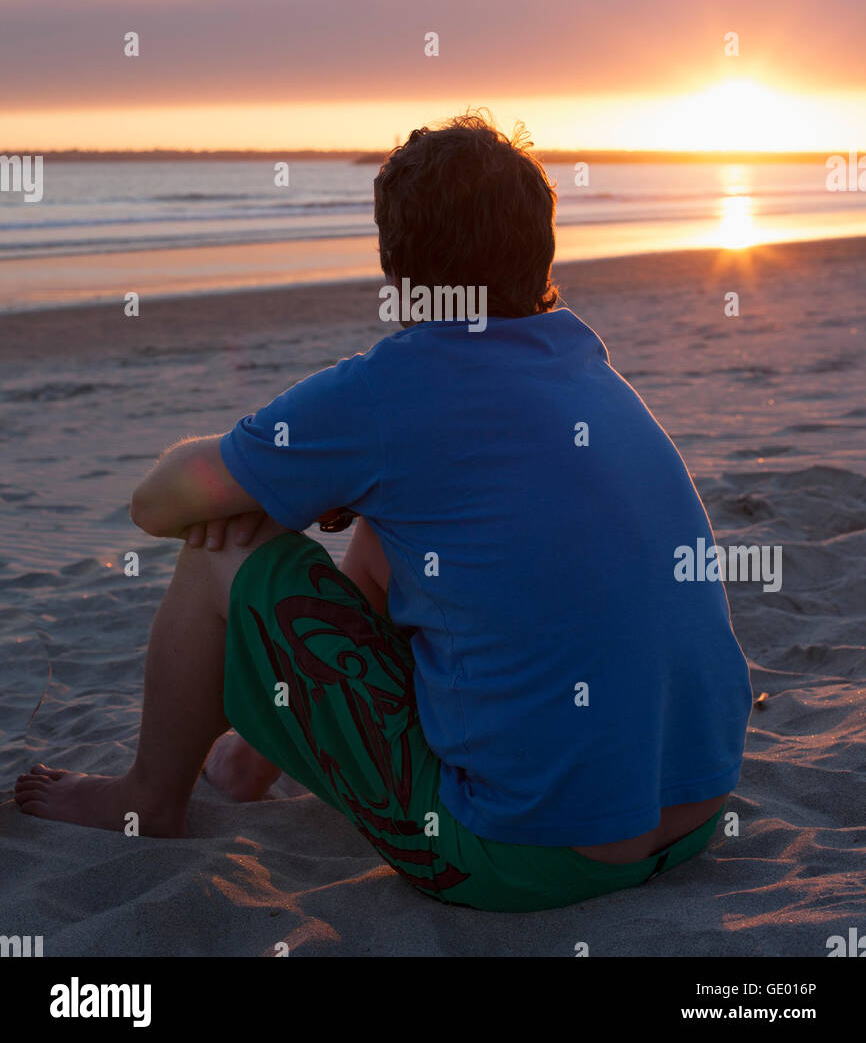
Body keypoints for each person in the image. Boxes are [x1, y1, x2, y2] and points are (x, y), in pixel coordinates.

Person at [15, 112, 753, 913]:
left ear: (397, 266)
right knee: (402, 526)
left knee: (214, 550)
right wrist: (352, 488)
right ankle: (247, 759)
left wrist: (274, 485)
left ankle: (147, 797)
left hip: (521, 857)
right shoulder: (586, 367)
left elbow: (157, 504)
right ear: (539, 249)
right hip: (694, 818)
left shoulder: (392, 387)